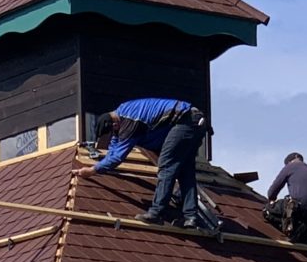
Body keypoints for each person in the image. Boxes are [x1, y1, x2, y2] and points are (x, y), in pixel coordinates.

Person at [92, 97, 216, 235]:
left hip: (185, 121)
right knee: (185, 171)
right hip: (195, 121)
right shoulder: (123, 114)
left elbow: (118, 157)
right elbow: (115, 144)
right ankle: (190, 217)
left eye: (113, 129)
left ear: (114, 123)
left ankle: (156, 213)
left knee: (166, 165)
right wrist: (101, 163)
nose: (114, 132)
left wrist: (93, 170)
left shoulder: (130, 120)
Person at [263, 152, 307, 242]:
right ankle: (303, 226)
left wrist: (272, 202)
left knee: (267, 210)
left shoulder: (290, 166)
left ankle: (290, 227)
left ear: (289, 162)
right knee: (299, 215)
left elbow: (271, 193)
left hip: (298, 209)